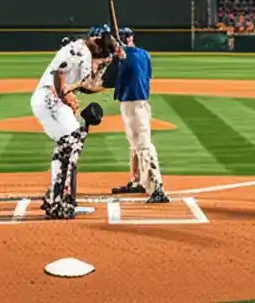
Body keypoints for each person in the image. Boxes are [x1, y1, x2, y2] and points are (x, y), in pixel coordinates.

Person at [31, 27, 114, 219]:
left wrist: (111, 79)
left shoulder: (86, 58)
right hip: (49, 99)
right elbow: (59, 72)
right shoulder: (77, 49)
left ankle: (58, 197)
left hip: (55, 103)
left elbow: (87, 87)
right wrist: (67, 95)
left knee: (68, 144)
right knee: (72, 140)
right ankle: (58, 200)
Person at [111, 27, 168, 203]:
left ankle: (157, 187)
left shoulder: (126, 56)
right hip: (133, 102)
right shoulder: (144, 54)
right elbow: (146, 75)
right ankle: (138, 181)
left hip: (135, 103)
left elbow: (112, 77)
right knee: (134, 145)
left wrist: (118, 59)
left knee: (143, 144)